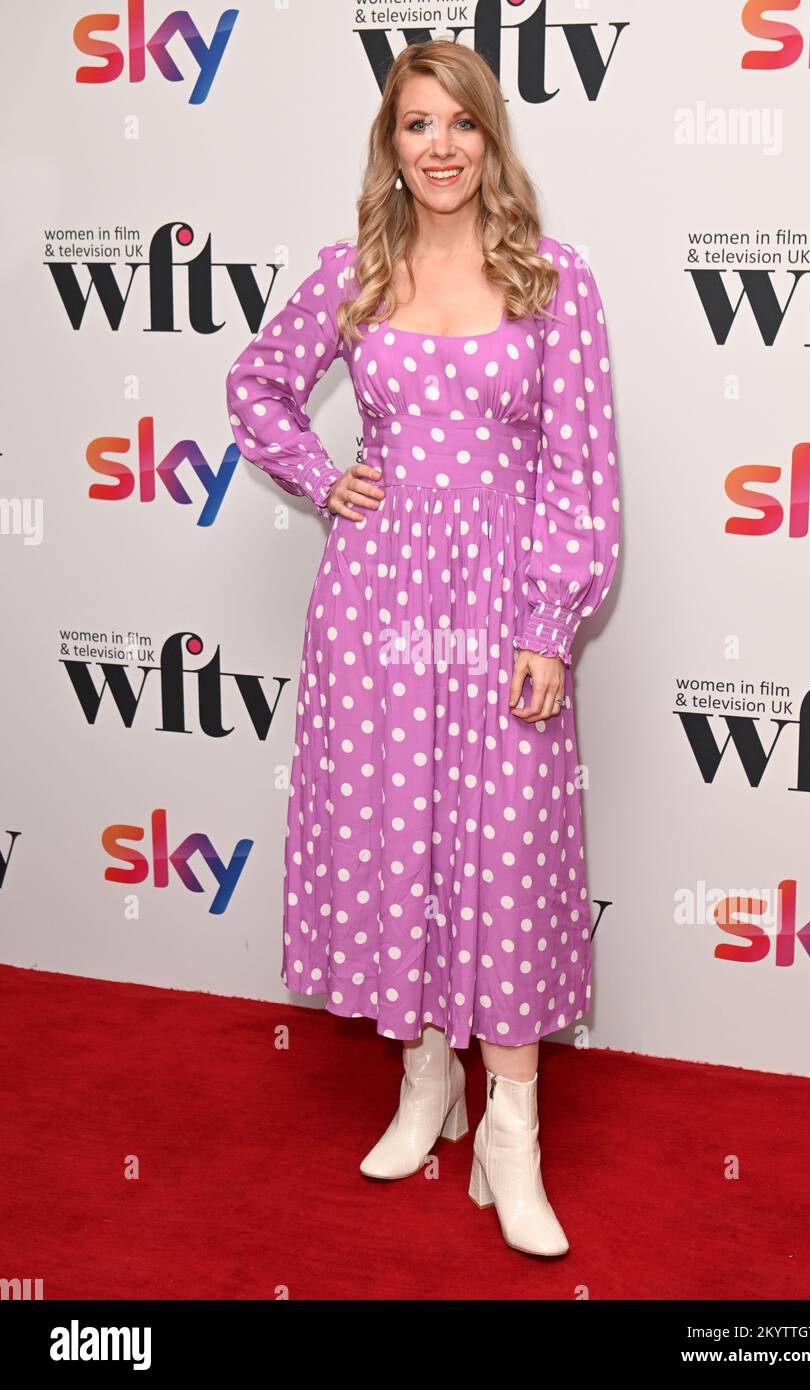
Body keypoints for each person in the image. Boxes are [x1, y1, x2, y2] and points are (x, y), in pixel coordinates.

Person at [225, 39, 620, 1258]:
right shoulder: (354, 271)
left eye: (459, 122)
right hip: (376, 602)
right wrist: (320, 475)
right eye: (415, 125)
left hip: (502, 599)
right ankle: (424, 1079)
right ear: (388, 145)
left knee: (501, 846)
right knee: (393, 829)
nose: (439, 144)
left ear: (489, 138)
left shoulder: (554, 278)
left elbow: (582, 472)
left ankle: (512, 1128)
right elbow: (255, 386)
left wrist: (550, 622)